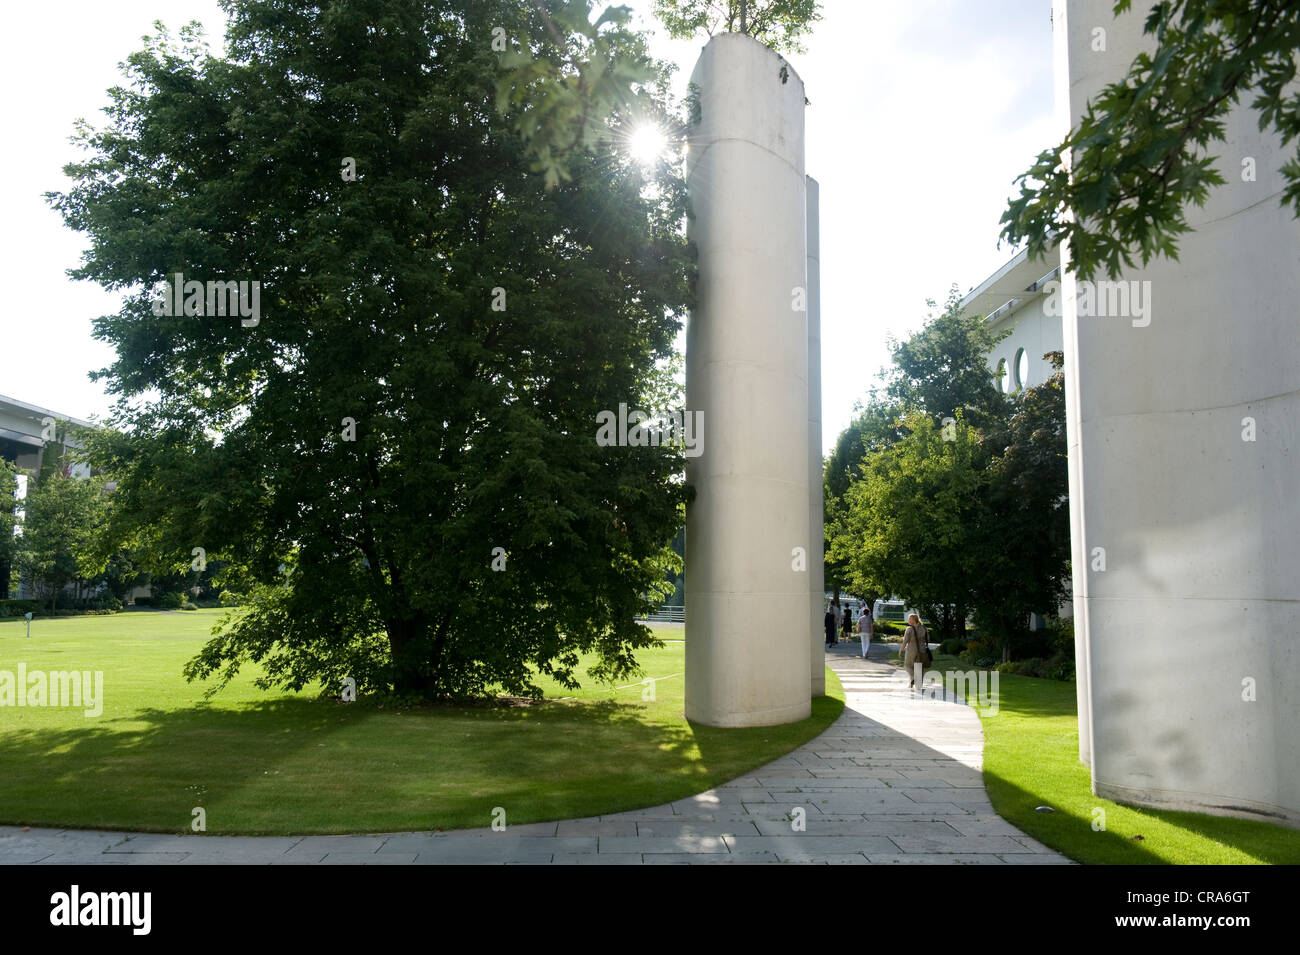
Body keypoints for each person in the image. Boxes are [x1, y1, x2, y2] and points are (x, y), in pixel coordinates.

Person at [900, 612, 929, 689]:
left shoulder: (909, 629)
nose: (908, 620)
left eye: (909, 619)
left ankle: (913, 678)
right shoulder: (924, 628)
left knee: (908, 665)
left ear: (913, 620)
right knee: (919, 667)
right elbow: (927, 639)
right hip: (922, 650)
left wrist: (901, 650)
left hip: (911, 650)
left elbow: (905, 641)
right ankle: (918, 684)